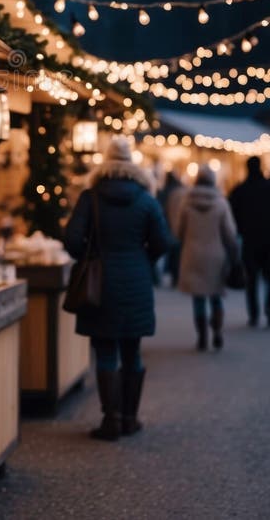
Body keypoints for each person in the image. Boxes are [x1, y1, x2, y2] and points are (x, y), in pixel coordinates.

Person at [64, 136, 171, 442]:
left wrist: (90, 254)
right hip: (136, 279)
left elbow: (72, 240)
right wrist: (142, 258)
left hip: (101, 284)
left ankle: (109, 420)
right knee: (132, 351)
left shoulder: (90, 197)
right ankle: (129, 418)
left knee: (105, 351)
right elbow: (163, 242)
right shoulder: (146, 199)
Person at [177, 165, 238, 350]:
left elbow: (178, 231)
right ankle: (217, 331)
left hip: (193, 255)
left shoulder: (186, 203)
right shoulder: (221, 203)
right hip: (216, 256)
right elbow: (230, 233)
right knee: (216, 296)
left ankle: (202, 337)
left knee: (198, 299)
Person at [229, 156, 270, 327]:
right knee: (269, 279)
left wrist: (240, 231)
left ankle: (254, 315)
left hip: (249, 241)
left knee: (252, 279)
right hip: (268, 241)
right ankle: (269, 312)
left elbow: (232, 216)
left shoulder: (240, 190)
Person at [157, 169, 187, 286]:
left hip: (168, 225)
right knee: (178, 253)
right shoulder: (182, 191)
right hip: (179, 226)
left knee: (171, 253)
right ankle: (177, 277)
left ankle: (173, 276)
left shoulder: (165, 192)